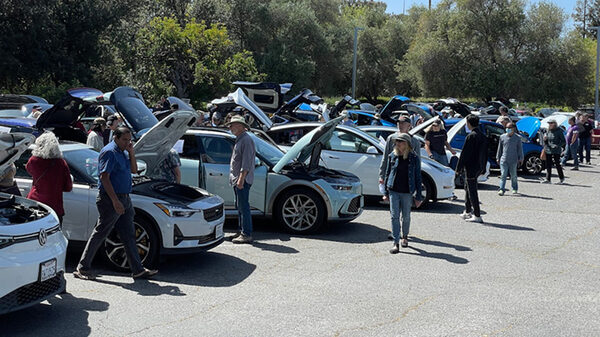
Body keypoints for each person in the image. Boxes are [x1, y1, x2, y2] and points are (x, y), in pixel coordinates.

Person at [75, 127, 157, 280]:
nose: (127, 142)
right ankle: (83, 267)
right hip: (110, 199)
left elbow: (133, 170)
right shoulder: (109, 152)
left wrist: (132, 152)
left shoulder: (123, 152)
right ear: (116, 138)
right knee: (101, 232)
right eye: (124, 140)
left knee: (129, 234)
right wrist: (115, 201)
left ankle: (137, 270)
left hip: (125, 198)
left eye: (129, 140)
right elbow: (104, 177)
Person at [383, 133, 423, 253]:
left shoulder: (414, 158)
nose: (398, 144)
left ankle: (405, 237)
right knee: (394, 216)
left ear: (407, 144)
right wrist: (385, 191)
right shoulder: (392, 156)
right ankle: (396, 242)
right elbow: (387, 173)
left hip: (407, 191)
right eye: (397, 141)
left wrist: (419, 196)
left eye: (400, 141)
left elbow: (417, 177)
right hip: (393, 190)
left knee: (406, 217)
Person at [25, 132, 73, 223]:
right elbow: (68, 187)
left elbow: (28, 169)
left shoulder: (33, 161)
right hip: (54, 206)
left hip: (35, 203)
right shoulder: (61, 163)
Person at [226, 116, 256, 244]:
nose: (230, 127)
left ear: (239, 126)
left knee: (244, 207)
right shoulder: (240, 139)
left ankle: (246, 234)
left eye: (232, 125)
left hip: (241, 180)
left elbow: (246, 163)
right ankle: (241, 230)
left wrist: (241, 179)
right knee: (239, 206)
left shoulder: (246, 140)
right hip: (237, 179)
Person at [456, 114, 487, 223]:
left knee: (472, 190)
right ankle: (467, 211)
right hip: (478, 166)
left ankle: (477, 215)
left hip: (471, 167)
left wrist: (458, 168)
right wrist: (483, 167)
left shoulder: (471, 136)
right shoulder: (483, 136)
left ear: (469, 123)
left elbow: (465, 154)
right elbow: (484, 154)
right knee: (467, 187)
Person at [496, 122, 523, 195]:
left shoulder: (517, 138)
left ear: (513, 129)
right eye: (506, 128)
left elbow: (520, 149)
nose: (507, 129)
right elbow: (500, 148)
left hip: (513, 160)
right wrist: (498, 157)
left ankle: (514, 188)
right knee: (503, 174)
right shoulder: (502, 137)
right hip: (504, 159)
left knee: (513, 175)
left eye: (509, 128)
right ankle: (501, 189)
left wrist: (521, 158)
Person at [541, 119, 566, 184]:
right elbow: (546, 141)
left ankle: (561, 178)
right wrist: (545, 139)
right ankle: (548, 179)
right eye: (549, 123)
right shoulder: (548, 130)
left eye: (551, 123)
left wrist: (558, 145)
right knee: (548, 164)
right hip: (548, 149)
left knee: (557, 164)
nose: (550, 124)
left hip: (556, 150)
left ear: (555, 123)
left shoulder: (559, 131)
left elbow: (563, 141)